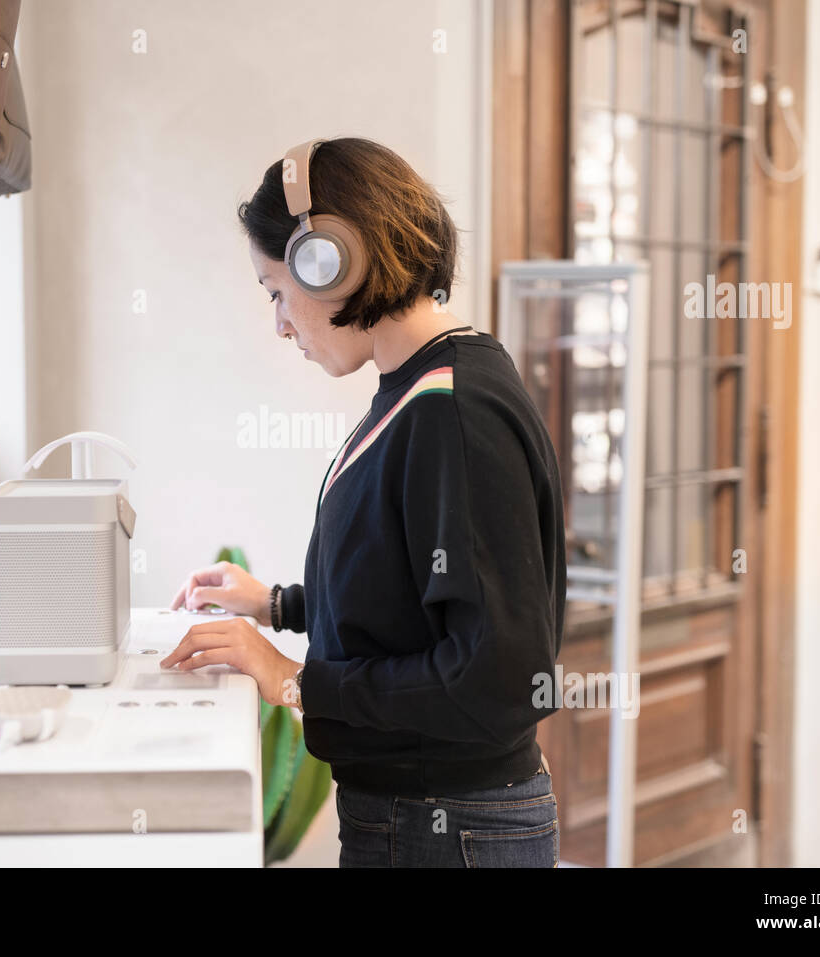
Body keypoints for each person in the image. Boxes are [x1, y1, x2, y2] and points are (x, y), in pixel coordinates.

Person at [160, 137, 567, 868]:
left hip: (449, 827)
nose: (280, 323)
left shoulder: (452, 410)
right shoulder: (418, 387)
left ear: (330, 262)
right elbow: (415, 599)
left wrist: (292, 679)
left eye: (276, 291)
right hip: (426, 819)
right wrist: (280, 605)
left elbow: (496, 678)